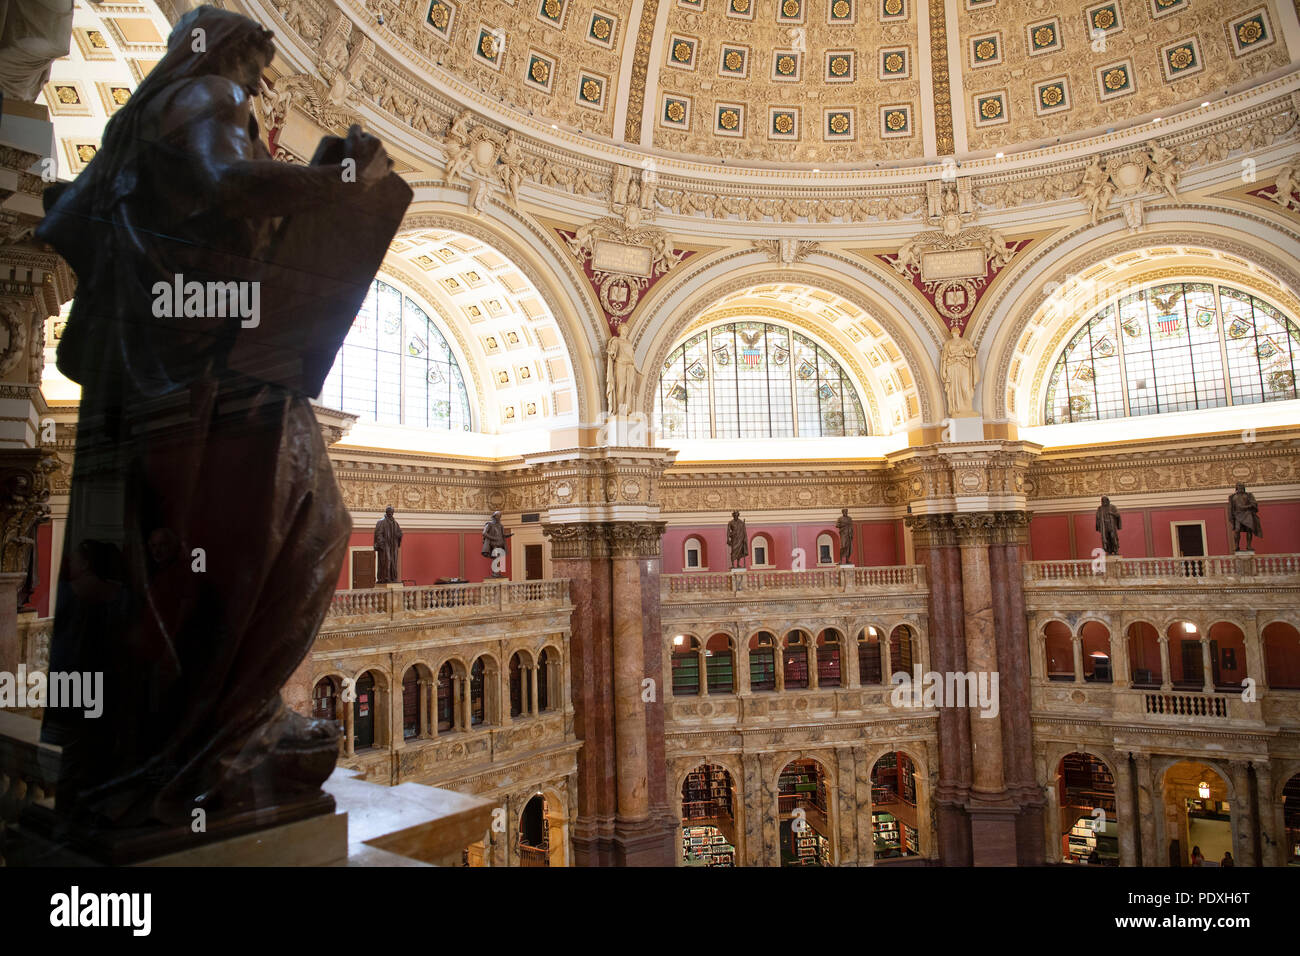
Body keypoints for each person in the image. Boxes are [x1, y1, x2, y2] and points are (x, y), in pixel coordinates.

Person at [35, 6, 409, 830]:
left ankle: (185, 741)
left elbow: (148, 218)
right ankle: (212, 741)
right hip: (216, 367)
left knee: (193, 559)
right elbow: (217, 186)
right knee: (310, 532)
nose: (263, 86)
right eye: (260, 69)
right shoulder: (204, 96)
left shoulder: (159, 114)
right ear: (233, 53)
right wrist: (337, 184)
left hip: (180, 366)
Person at [1228, 482, 1263, 552]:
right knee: (1237, 530)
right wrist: (1231, 516)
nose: (1240, 487)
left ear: (1244, 487)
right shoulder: (1232, 497)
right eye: (1239, 486)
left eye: (1241, 486)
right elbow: (1231, 507)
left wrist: (1246, 507)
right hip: (1237, 514)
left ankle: (1249, 546)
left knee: (1249, 529)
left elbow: (1254, 504)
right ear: (1236, 488)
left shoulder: (1249, 495)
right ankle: (1237, 546)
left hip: (1247, 513)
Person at [374, 506, 403, 584]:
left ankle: (392, 577)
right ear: (386, 512)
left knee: (393, 561)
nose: (390, 514)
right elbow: (378, 534)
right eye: (389, 512)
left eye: (392, 512)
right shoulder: (381, 522)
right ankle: (385, 578)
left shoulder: (395, 523)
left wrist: (399, 535)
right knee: (387, 561)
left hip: (393, 545)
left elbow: (399, 533)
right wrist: (381, 543)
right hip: (385, 545)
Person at [481, 510, 512, 577]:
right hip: (493, 543)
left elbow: (502, 535)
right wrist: (493, 538)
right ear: (494, 516)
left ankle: (498, 573)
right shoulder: (489, 524)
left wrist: (508, 535)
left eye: (500, 516)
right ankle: (495, 573)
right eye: (498, 516)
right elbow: (484, 533)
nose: (499, 518)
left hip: (501, 543)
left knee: (500, 558)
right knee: (496, 558)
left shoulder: (501, 525)